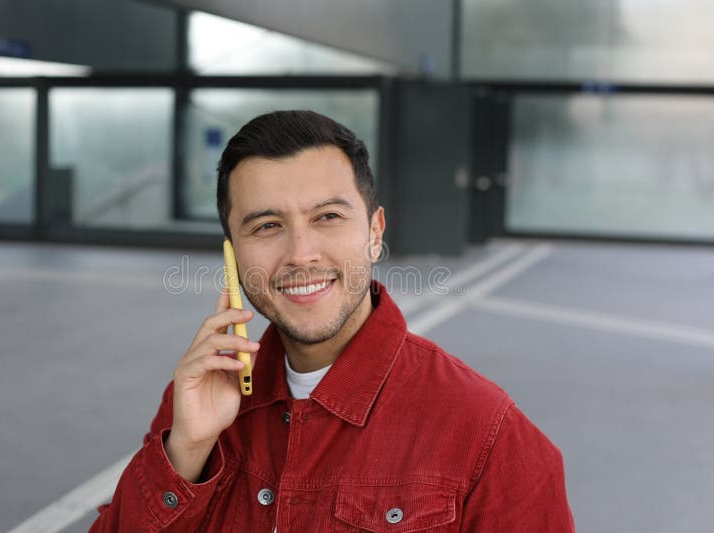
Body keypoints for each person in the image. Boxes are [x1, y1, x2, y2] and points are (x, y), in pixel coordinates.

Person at [90, 110, 575, 532]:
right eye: (267, 226)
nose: (301, 254)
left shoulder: (490, 436)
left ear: (375, 232)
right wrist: (186, 452)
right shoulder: (194, 401)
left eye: (327, 217)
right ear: (233, 254)